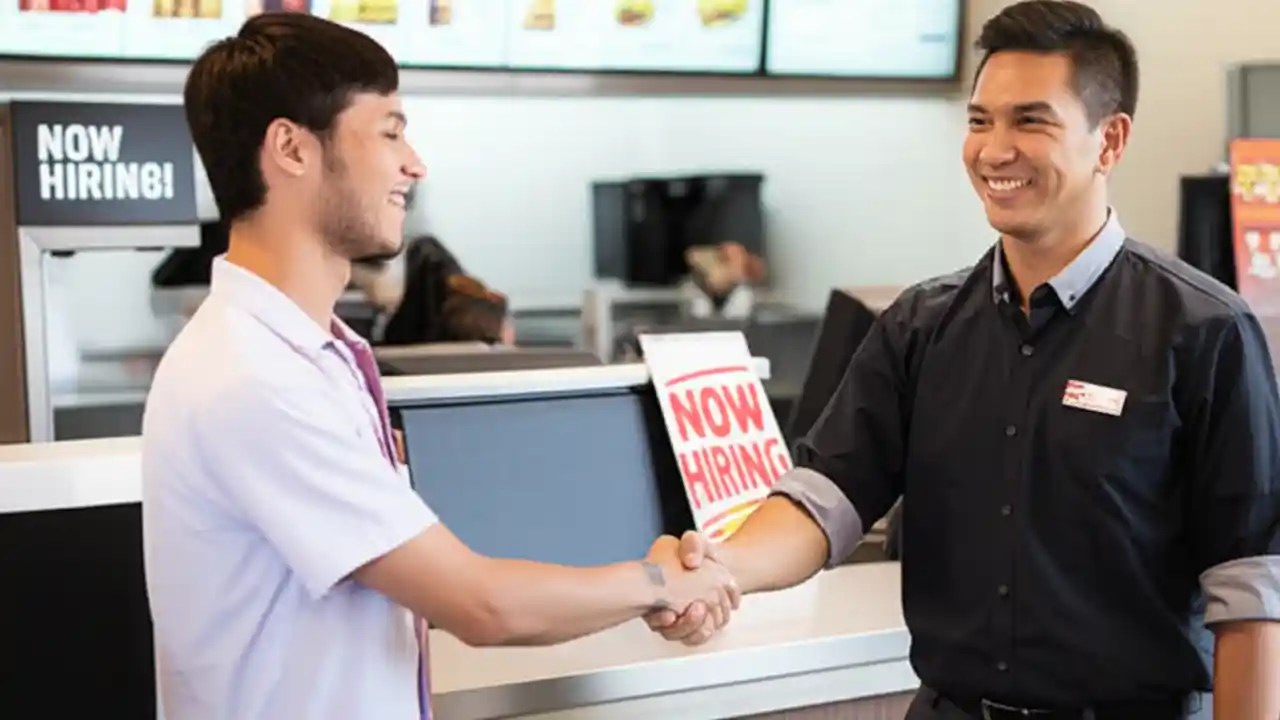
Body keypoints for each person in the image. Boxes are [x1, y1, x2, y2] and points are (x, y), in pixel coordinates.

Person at [646, 2, 1280, 719]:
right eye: (980, 121)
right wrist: (723, 567)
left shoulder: (1204, 329)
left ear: (1111, 140)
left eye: (1030, 121)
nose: (994, 149)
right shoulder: (921, 324)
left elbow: (1251, 591)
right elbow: (825, 499)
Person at [139, 13, 737, 720]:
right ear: (291, 148)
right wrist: (658, 582)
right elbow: (481, 604)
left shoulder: (304, 355)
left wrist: (647, 584)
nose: (414, 164)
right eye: (390, 131)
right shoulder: (254, 376)